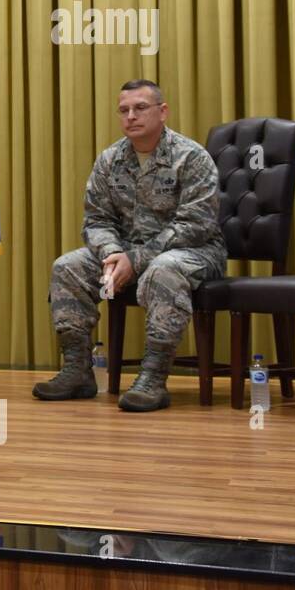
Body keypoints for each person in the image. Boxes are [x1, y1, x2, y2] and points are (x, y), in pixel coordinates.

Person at [35, 80, 226, 411]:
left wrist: (134, 259)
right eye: (124, 110)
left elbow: (195, 226)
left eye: (140, 108)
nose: (131, 116)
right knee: (67, 267)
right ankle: (77, 369)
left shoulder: (192, 157)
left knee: (163, 270)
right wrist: (111, 253)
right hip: (125, 253)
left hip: (195, 253)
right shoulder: (110, 160)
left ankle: (153, 376)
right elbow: (96, 221)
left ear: (162, 112)